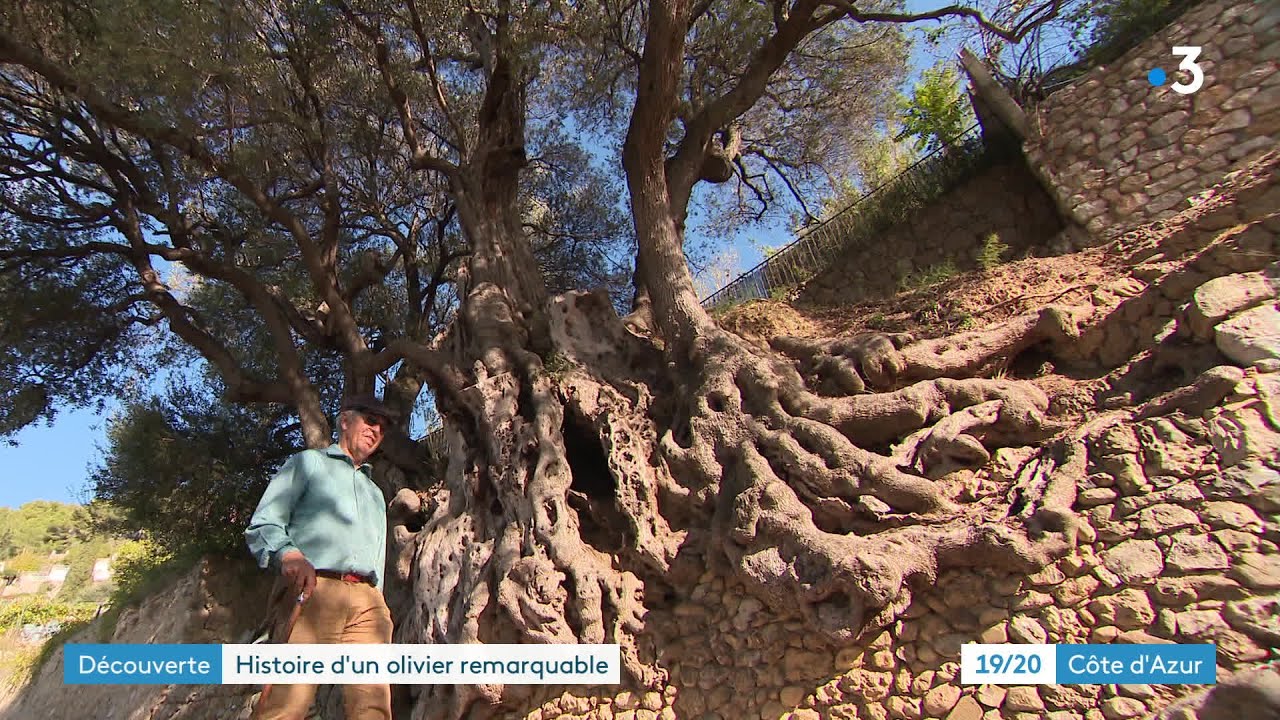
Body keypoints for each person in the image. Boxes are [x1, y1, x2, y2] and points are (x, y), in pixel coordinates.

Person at [245, 394, 395, 720]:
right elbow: (264, 523)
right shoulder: (308, 463)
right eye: (370, 421)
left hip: (369, 602)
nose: (376, 431)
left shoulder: (375, 493)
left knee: (373, 706)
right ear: (345, 421)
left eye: (382, 428)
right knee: (288, 701)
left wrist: (379, 600)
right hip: (314, 589)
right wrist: (288, 554)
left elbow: (379, 553)